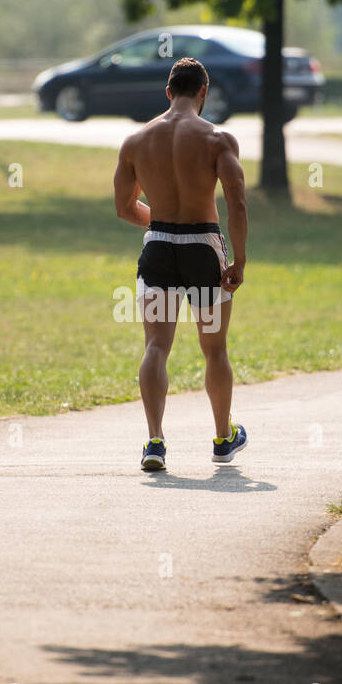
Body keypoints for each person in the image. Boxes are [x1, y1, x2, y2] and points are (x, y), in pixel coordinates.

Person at [113, 56, 249, 472]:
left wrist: (162, 224)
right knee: (214, 348)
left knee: (156, 346)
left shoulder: (136, 141)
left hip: (158, 249)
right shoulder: (217, 139)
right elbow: (237, 203)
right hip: (203, 250)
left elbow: (123, 207)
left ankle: (155, 441)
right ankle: (223, 438)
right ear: (203, 92)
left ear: (168, 92)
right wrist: (239, 260)